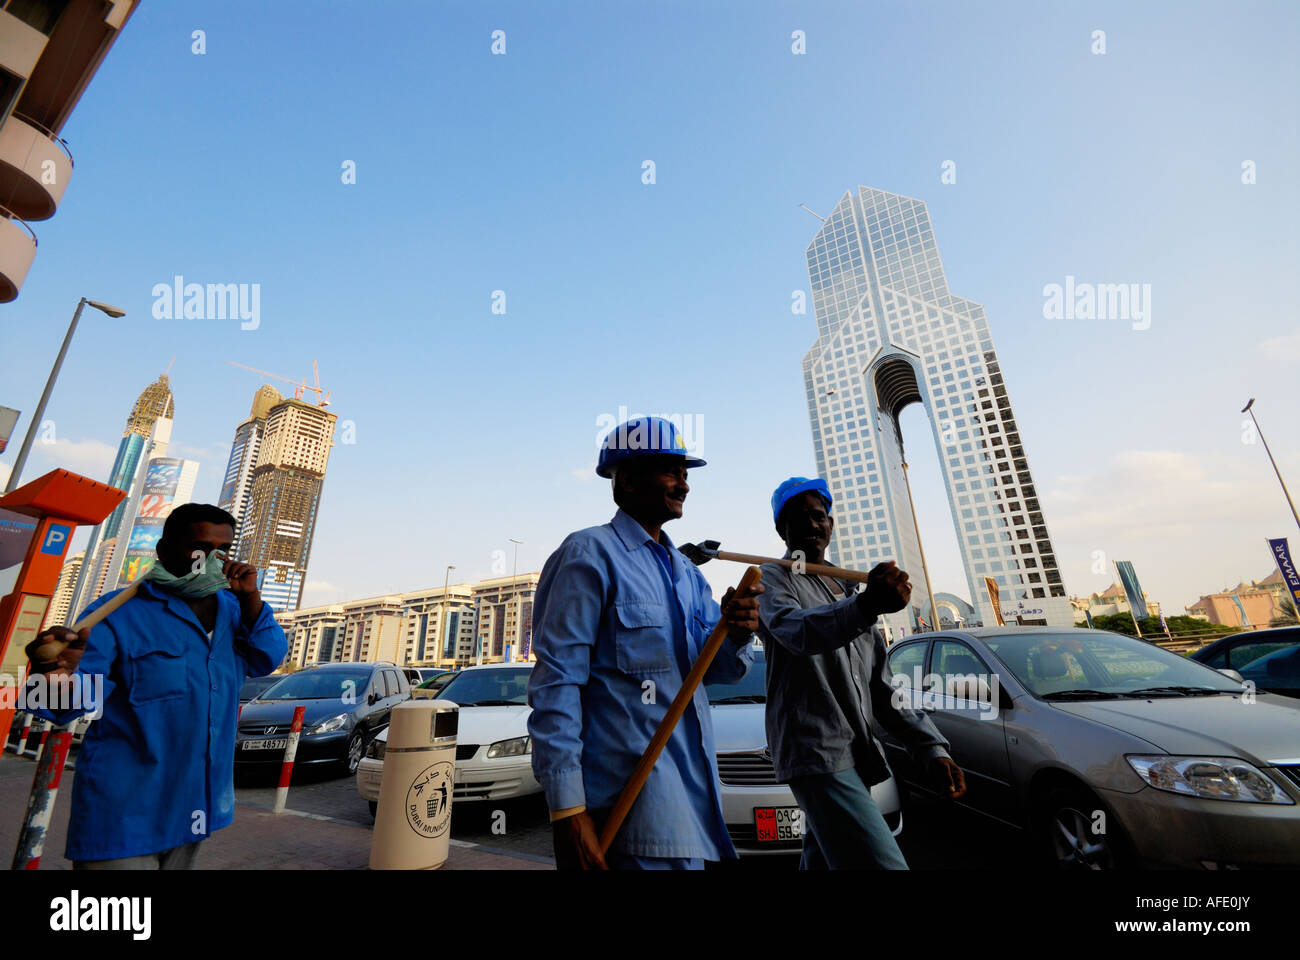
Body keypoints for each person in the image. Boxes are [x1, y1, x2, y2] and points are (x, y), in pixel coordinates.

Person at [527, 416, 763, 870]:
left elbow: (718, 673)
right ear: (628, 480)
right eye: (672, 472)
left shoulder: (689, 575)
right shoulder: (588, 555)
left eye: (686, 474)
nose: (685, 485)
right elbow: (557, 684)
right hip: (625, 820)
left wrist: (735, 634)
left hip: (694, 813)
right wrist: (568, 811)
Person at [25, 503, 287, 869]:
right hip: (125, 814)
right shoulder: (115, 612)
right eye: (198, 548)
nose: (209, 559)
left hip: (197, 807)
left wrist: (251, 599)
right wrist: (50, 673)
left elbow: (268, 659)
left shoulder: (238, 609)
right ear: (164, 551)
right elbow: (62, 706)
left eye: (220, 551)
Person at [757, 477, 966, 869]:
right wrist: (867, 605)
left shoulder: (850, 591)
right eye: (799, 517)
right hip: (816, 753)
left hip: (857, 753)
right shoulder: (772, 580)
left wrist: (929, 746)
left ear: (831, 525)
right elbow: (797, 631)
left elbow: (883, 690)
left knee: (825, 859)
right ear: (780, 529)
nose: (813, 525)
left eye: (820, 516)